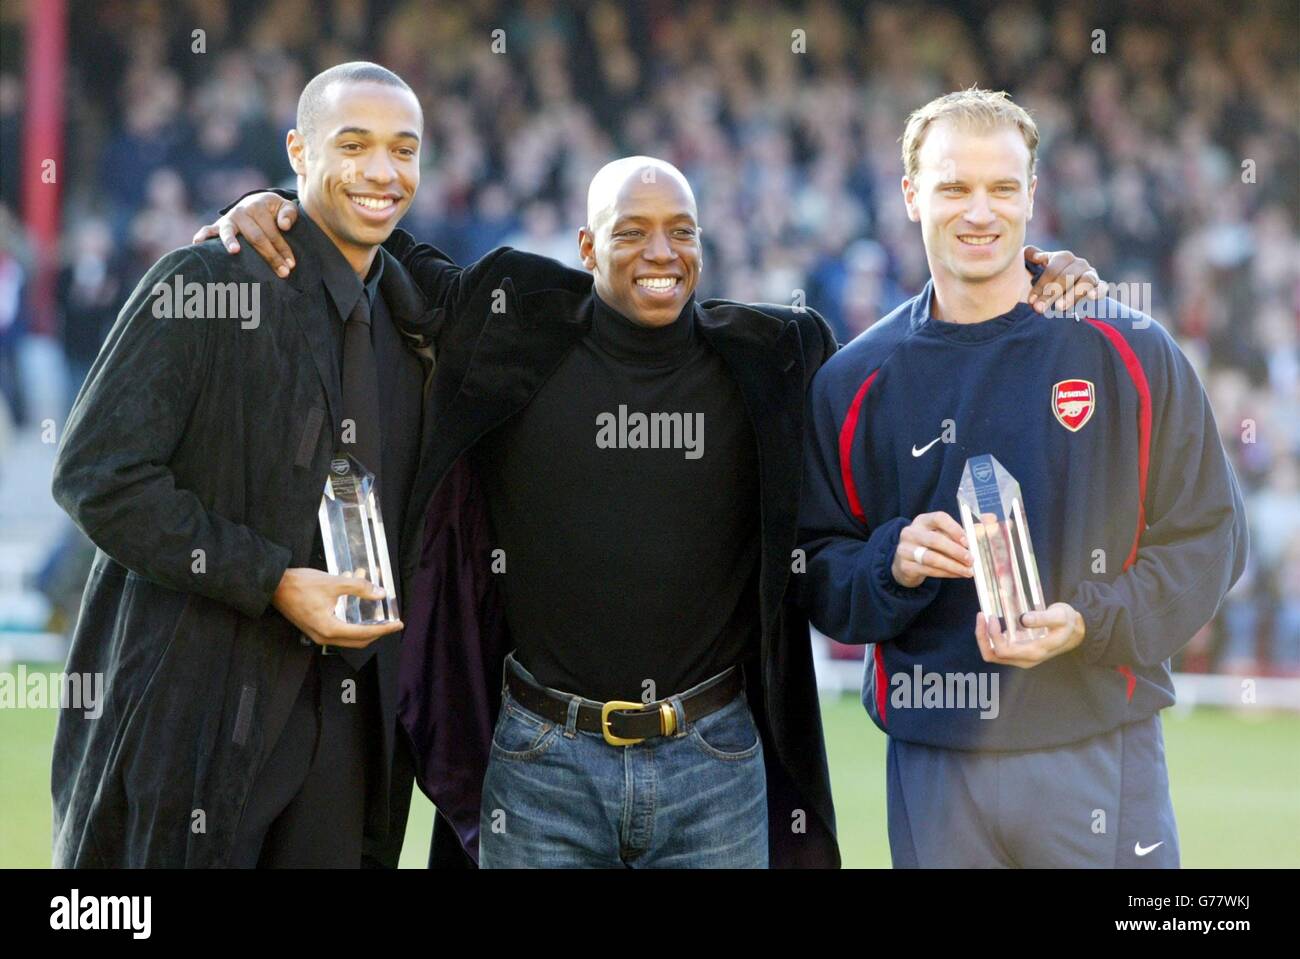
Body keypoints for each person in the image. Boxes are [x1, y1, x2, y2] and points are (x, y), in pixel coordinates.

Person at [201, 155, 1103, 868]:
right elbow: (384, 238)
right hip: (540, 759)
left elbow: (923, 337)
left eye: (681, 231)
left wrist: (1031, 272)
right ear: (587, 248)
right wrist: (277, 203)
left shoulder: (776, 358)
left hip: (713, 763)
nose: (660, 252)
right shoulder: (514, 328)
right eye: (631, 233)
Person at [796, 88, 1247, 868]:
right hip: (934, 759)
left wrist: (1090, 621)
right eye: (953, 187)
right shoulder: (854, 380)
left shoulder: (1128, 350)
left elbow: (1212, 539)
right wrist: (890, 560)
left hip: (1099, 740)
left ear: (1033, 195)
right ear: (910, 195)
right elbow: (813, 567)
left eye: (1002, 187)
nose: (980, 211)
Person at [50, 62, 432, 867]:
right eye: (353, 144)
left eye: (404, 149)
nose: (381, 171)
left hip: (349, 740)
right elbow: (98, 476)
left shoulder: (415, 325)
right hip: (191, 721)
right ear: (298, 151)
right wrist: (272, 580)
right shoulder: (205, 282)